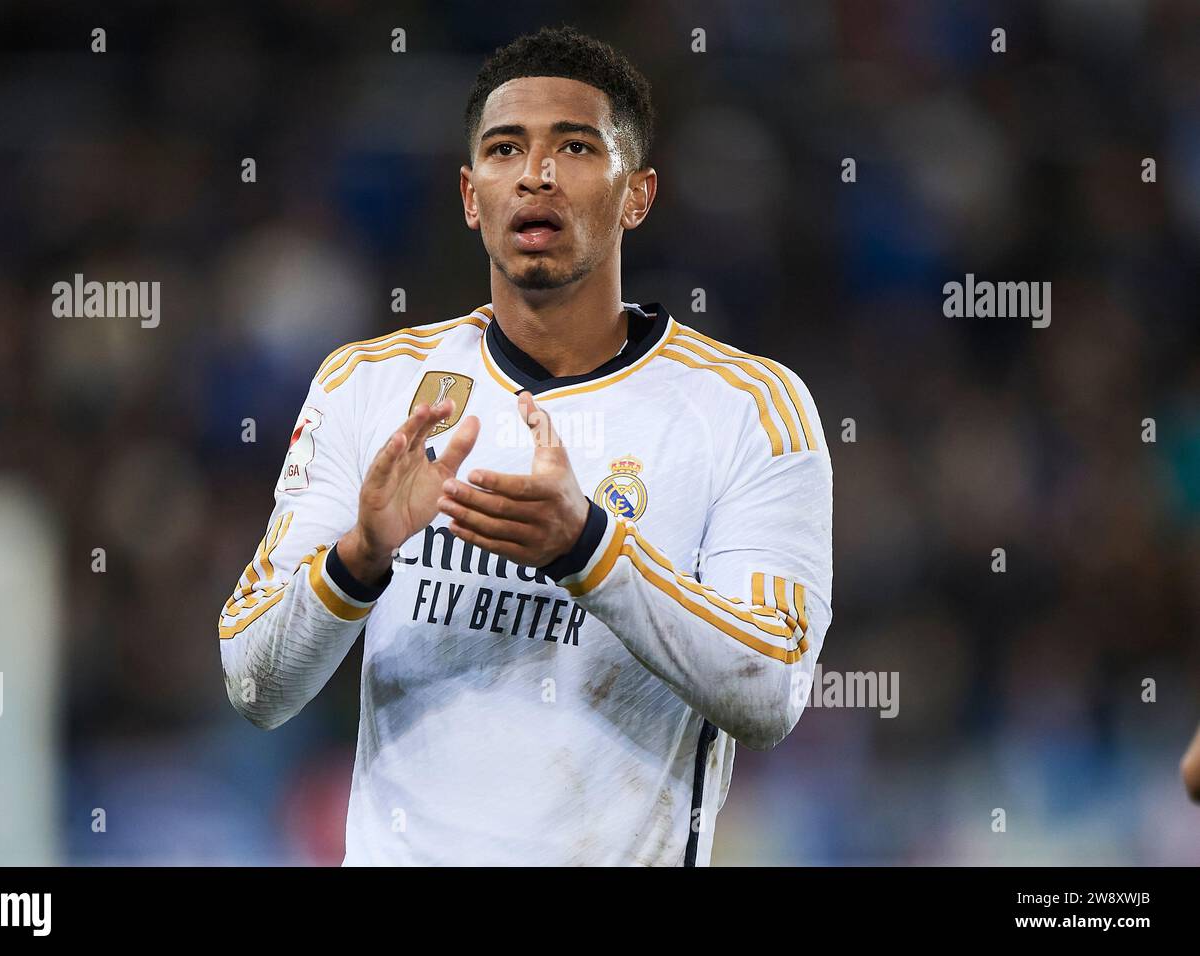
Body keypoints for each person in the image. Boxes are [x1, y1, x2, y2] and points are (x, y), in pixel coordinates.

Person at [219, 25, 833, 865]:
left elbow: (772, 691)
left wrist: (587, 548)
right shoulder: (367, 385)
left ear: (636, 195)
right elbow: (255, 685)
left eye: (575, 147)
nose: (536, 174)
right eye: (506, 150)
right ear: (472, 197)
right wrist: (359, 558)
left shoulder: (748, 409)